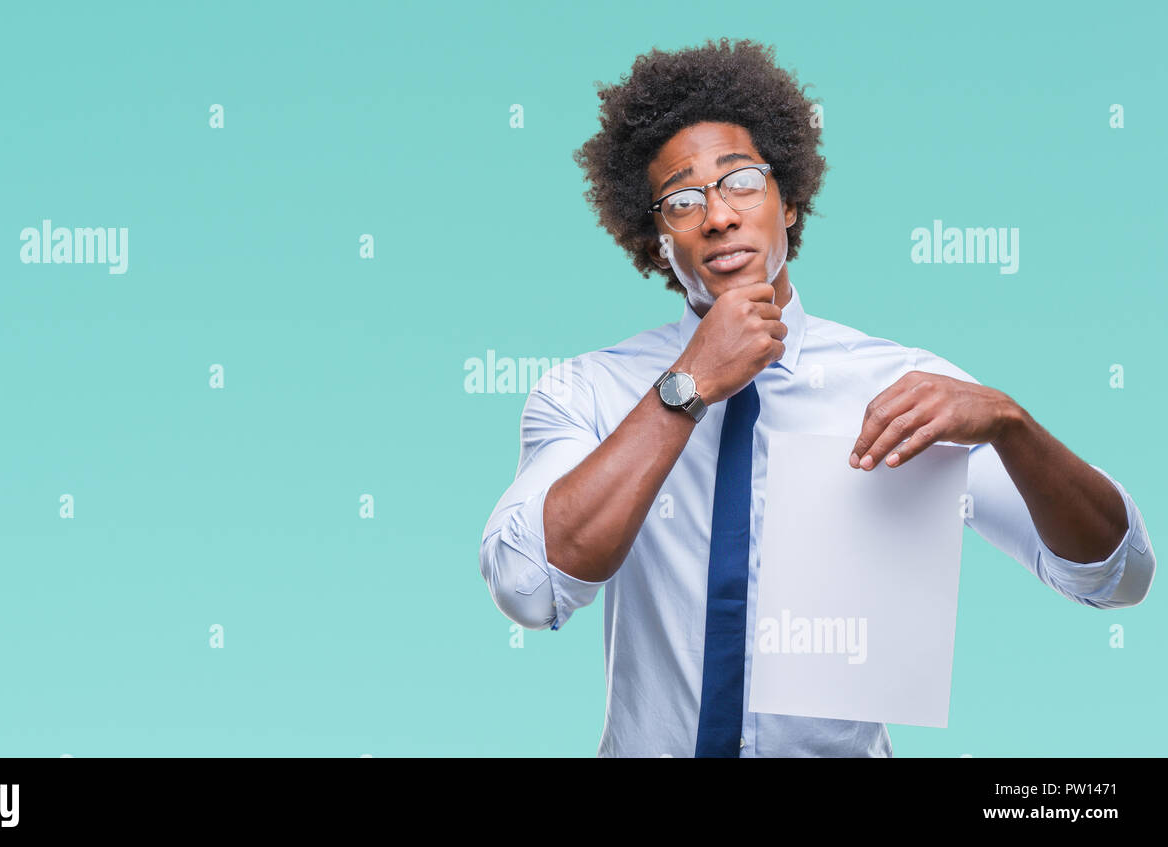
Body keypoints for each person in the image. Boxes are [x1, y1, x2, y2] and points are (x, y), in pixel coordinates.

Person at [477, 37, 1156, 758]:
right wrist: (688, 385)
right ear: (655, 244)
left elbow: (1118, 576)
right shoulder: (589, 390)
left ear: (789, 200)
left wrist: (1014, 428)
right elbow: (527, 587)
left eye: (741, 182)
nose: (717, 215)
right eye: (682, 200)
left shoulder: (901, 386)